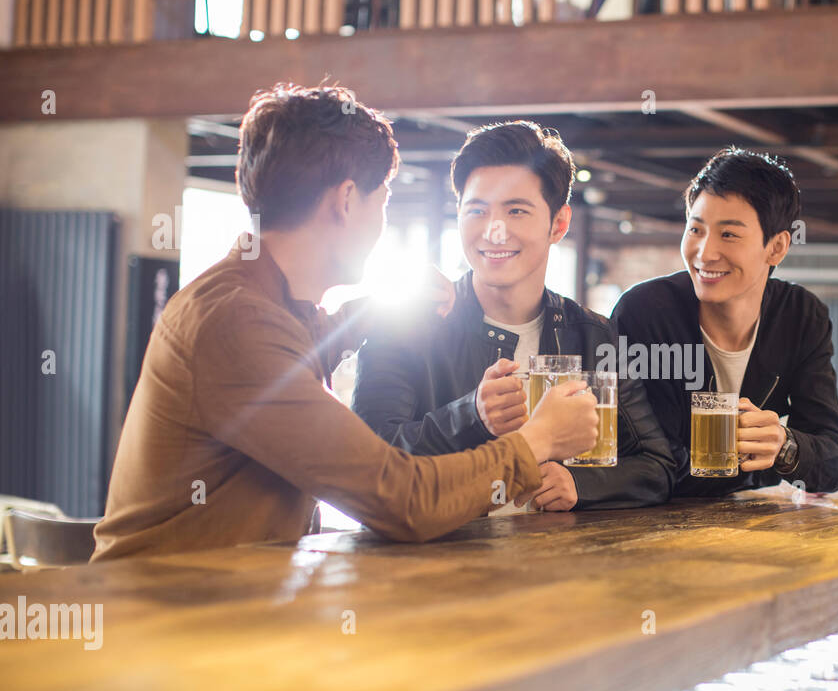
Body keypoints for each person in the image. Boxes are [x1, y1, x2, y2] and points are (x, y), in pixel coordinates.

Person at [92, 85, 596, 561]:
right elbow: (404, 500)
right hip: (166, 625)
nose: (382, 220)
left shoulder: (256, 299)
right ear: (348, 200)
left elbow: (305, 344)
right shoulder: (234, 321)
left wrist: (373, 311)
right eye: (383, 201)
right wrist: (539, 440)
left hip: (227, 610)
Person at [352, 121, 672, 512]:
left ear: (559, 224)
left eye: (517, 210)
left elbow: (657, 467)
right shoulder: (406, 322)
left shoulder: (594, 335)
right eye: (477, 211)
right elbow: (369, 465)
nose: (494, 231)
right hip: (435, 561)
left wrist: (581, 484)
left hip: (556, 564)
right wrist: (472, 414)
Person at [611, 147, 838, 497]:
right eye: (695, 230)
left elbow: (835, 461)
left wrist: (783, 445)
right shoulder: (646, 312)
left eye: (728, 235)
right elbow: (646, 461)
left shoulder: (801, 316)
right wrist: (758, 467)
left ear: (777, 247)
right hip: (646, 527)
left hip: (746, 525)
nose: (705, 253)